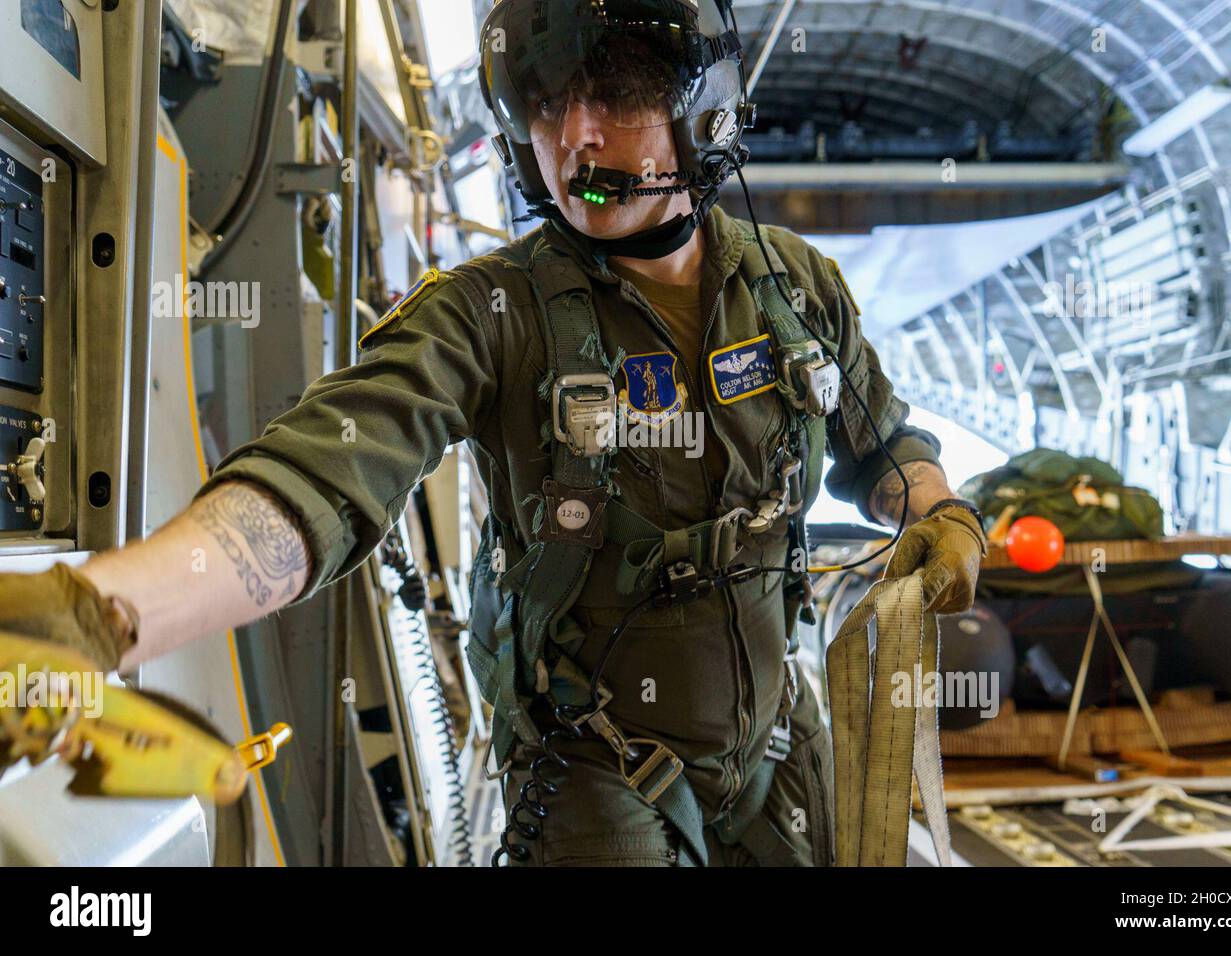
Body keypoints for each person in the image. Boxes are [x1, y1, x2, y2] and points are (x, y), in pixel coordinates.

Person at [0, 0, 987, 866]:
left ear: (709, 115)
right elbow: (326, 470)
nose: (579, 138)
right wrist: (98, 612)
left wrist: (937, 510)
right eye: (550, 101)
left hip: (780, 751)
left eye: (616, 96)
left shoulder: (799, 285)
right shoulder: (489, 310)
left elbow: (880, 442)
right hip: (602, 773)